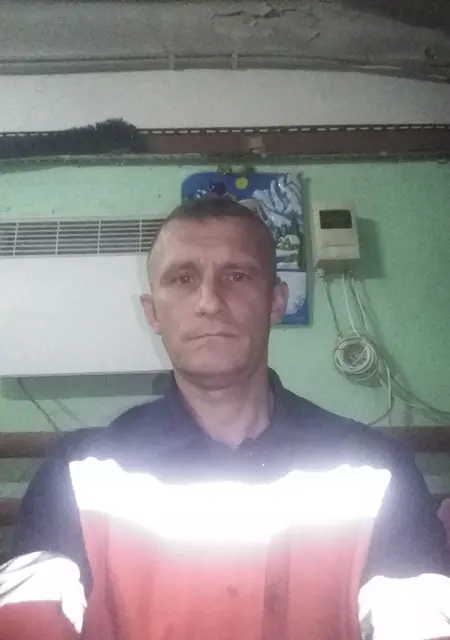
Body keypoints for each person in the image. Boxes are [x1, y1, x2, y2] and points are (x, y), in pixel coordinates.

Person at [0, 195, 449, 640]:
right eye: (183, 278)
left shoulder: (376, 470)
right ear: (152, 312)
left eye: (237, 276)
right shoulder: (77, 474)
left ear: (277, 301)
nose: (210, 302)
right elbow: (28, 624)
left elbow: (419, 622)